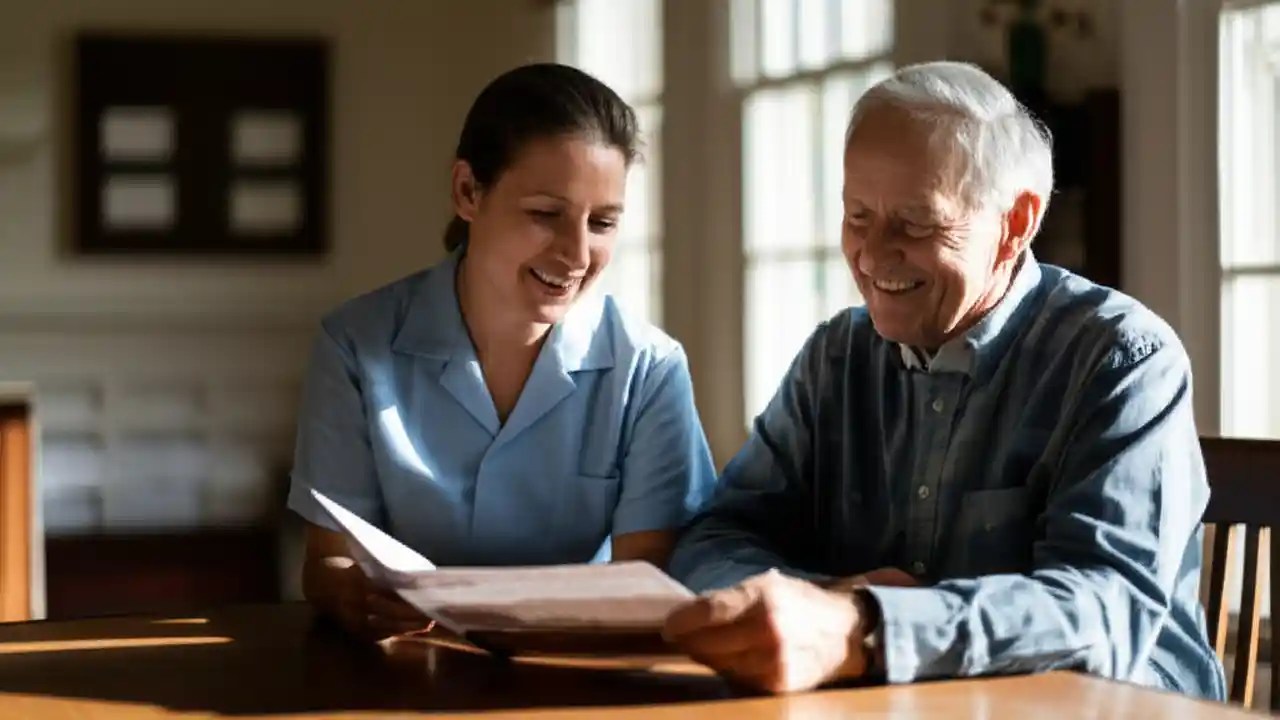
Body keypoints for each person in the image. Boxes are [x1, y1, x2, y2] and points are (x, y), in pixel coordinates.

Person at [663, 61, 1226, 700]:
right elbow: (715, 537)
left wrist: (871, 629)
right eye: (857, 217)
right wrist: (822, 605)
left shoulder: (1123, 360)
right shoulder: (836, 356)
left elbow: (1103, 612)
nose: (873, 257)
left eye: (916, 223)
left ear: (1016, 223)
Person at [287, 63, 715, 641]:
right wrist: (354, 593)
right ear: (467, 191)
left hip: (575, 676)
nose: (577, 254)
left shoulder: (650, 369)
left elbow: (652, 579)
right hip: (405, 672)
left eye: (603, 223)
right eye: (546, 214)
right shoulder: (354, 346)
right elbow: (326, 562)